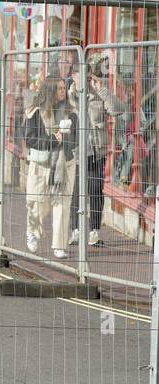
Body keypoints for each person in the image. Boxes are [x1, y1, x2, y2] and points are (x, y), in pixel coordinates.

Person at [71, 61, 127, 247]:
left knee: (95, 191)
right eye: (80, 76)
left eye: (87, 76)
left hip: (96, 151)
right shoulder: (68, 95)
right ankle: (75, 230)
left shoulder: (97, 94)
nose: (84, 80)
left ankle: (94, 231)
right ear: (73, 76)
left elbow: (118, 110)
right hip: (76, 151)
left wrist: (102, 90)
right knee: (76, 192)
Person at [24, 76, 78, 259]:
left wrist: (68, 138)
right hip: (42, 165)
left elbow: (77, 139)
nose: (64, 91)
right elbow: (30, 138)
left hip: (64, 164)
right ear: (50, 90)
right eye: (60, 88)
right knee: (38, 203)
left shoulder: (71, 113)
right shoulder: (35, 112)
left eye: (64, 88)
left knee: (62, 205)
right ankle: (32, 231)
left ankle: (59, 245)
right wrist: (52, 140)